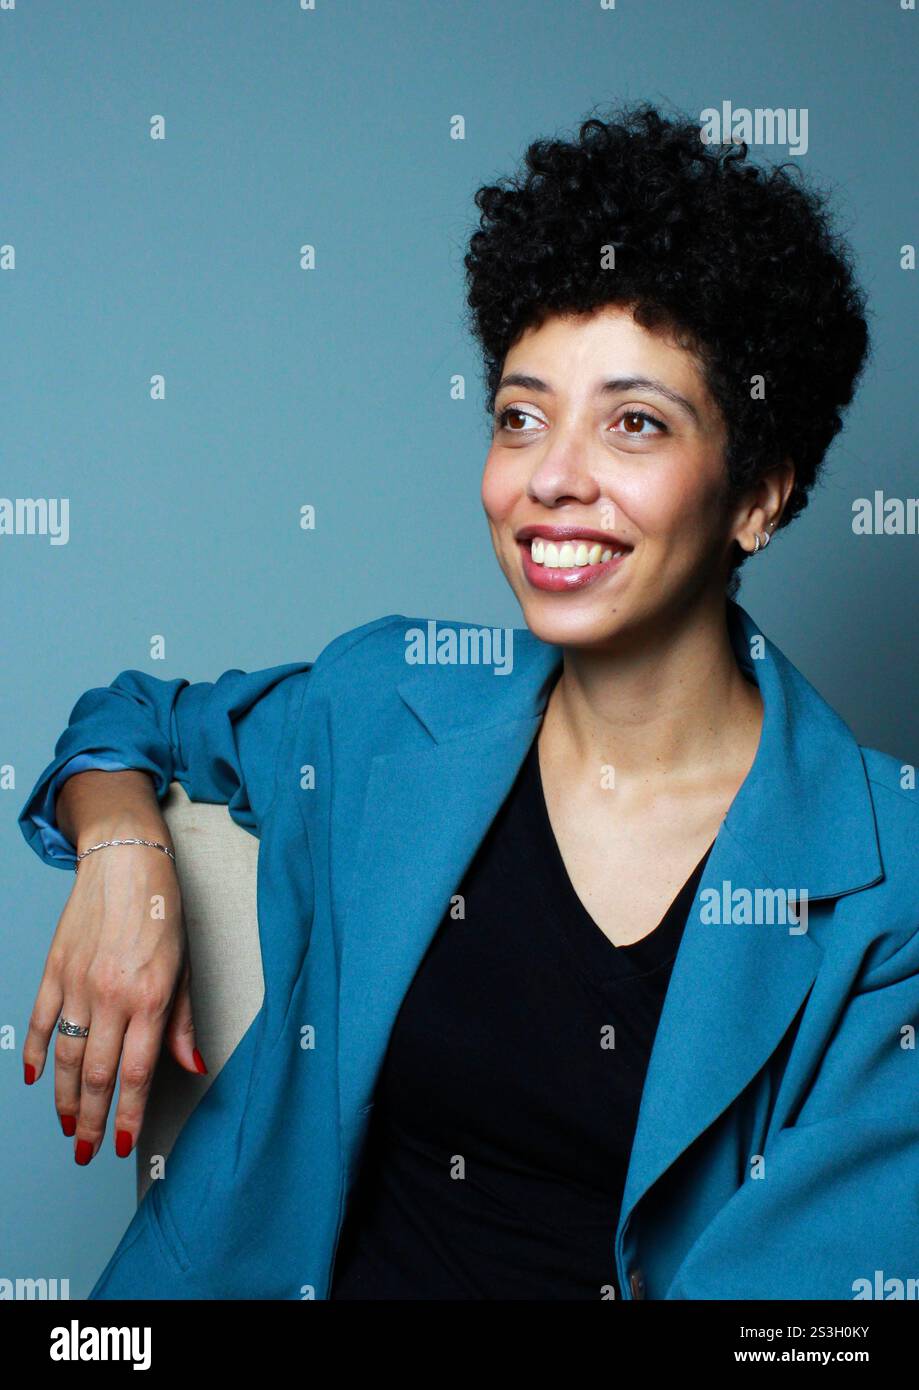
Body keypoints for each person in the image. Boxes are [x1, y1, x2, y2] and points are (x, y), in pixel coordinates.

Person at [18, 102, 918, 1300]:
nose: (551, 476)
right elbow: (132, 717)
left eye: (633, 422)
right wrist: (122, 847)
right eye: (520, 415)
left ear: (757, 494)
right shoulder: (393, 701)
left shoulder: (886, 889)